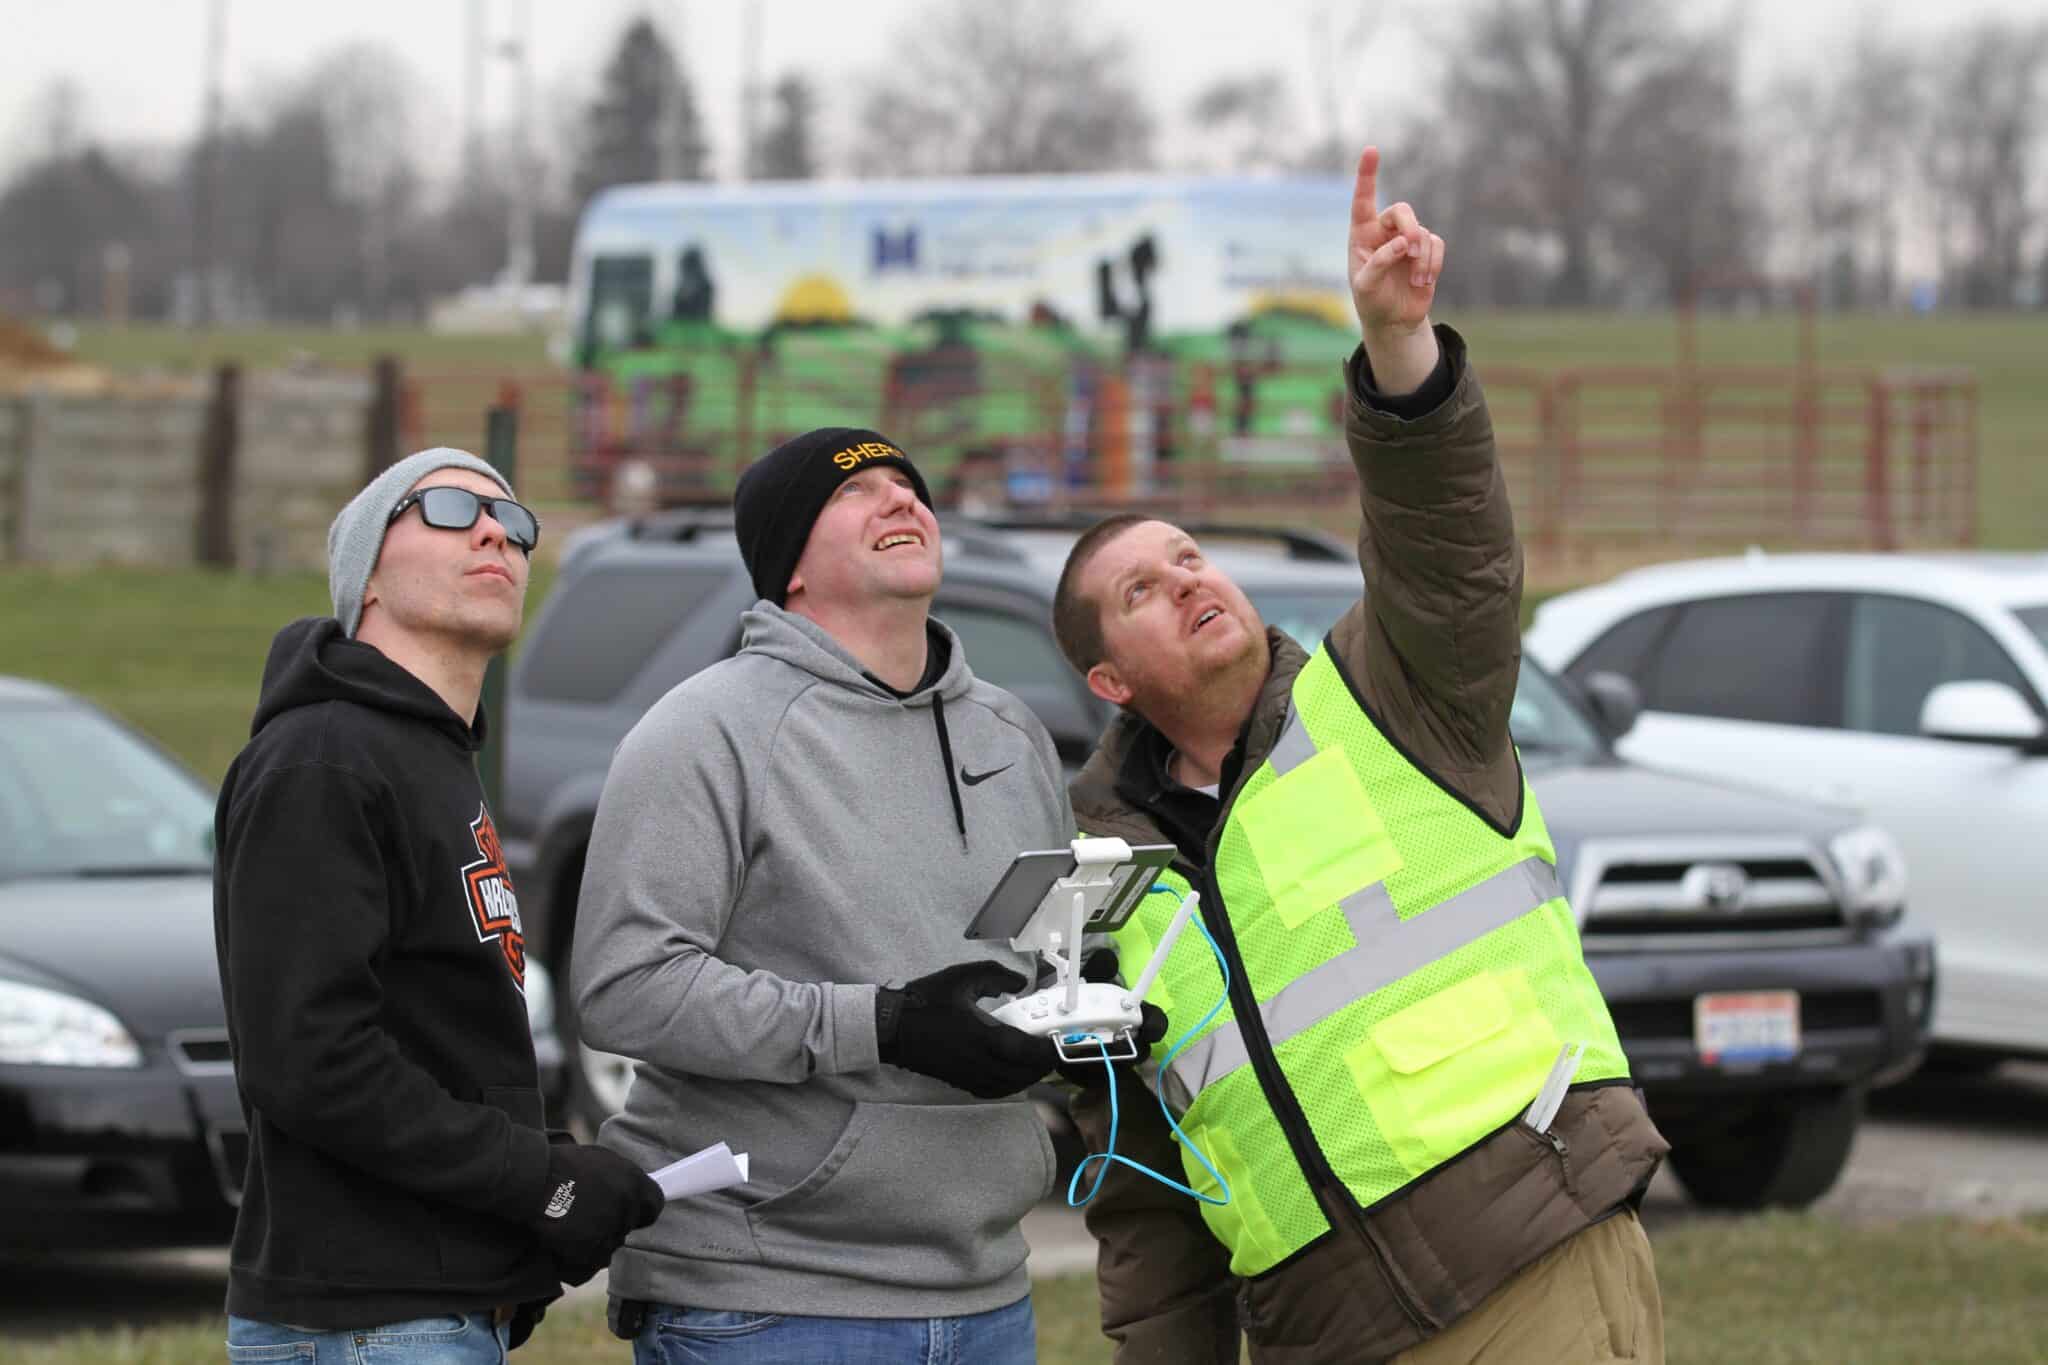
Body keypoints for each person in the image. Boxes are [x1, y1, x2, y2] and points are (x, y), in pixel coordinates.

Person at [1048, 149, 1670, 1364]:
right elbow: (1139, 1187)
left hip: (1527, 1261)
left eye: (1187, 558)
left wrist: (1399, 352)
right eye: (1140, 588)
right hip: (1319, 1332)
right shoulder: (1091, 891)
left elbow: (1450, 545)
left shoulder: (1393, 694)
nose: (1185, 582)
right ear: (1107, 681)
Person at [575, 428, 1141, 1364]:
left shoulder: (1011, 733)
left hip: (988, 1289)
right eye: (856, 491)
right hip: (767, 1293)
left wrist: (1078, 1023)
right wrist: (882, 1024)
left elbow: (1017, 966)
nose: (899, 500)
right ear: (789, 565)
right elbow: (624, 986)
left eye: (908, 485)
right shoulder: (703, 732)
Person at [213, 448, 664, 1361]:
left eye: (516, 521)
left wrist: (531, 1208)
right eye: (451, 507)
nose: (498, 530)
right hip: (367, 1318)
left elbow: (447, 1039)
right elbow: (309, 1058)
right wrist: (538, 1179)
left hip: (436, 1303)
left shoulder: (431, 759)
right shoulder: (324, 758)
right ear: (367, 571)